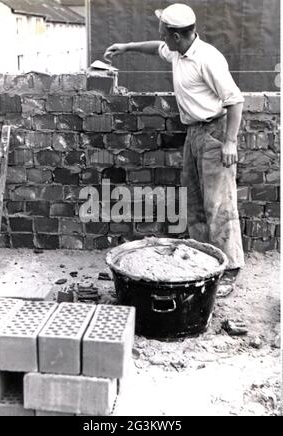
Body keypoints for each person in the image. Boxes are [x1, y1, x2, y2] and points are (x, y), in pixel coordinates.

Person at [104, 3, 245, 296]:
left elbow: (235, 100)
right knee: (194, 201)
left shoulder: (208, 59)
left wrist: (230, 141)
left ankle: (229, 269)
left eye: (164, 34)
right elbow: (154, 47)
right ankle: (207, 263)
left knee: (218, 204)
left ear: (177, 36)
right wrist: (126, 47)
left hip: (215, 132)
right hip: (194, 133)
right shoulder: (178, 50)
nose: (162, 39)